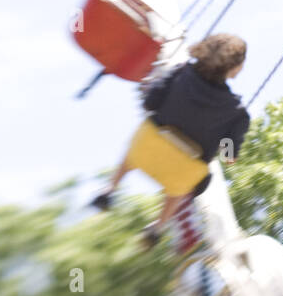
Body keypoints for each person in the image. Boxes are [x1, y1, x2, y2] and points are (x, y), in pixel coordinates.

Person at [91, 33, 250, 249]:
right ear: (235, 69)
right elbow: (228, 155)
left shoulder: (181, 72)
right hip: (180, 173)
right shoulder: (237, 113)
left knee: (142, 140)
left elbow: (150, 102)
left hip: (146, 150)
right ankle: (157, 226)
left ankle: (109, 188)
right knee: (186, 184)